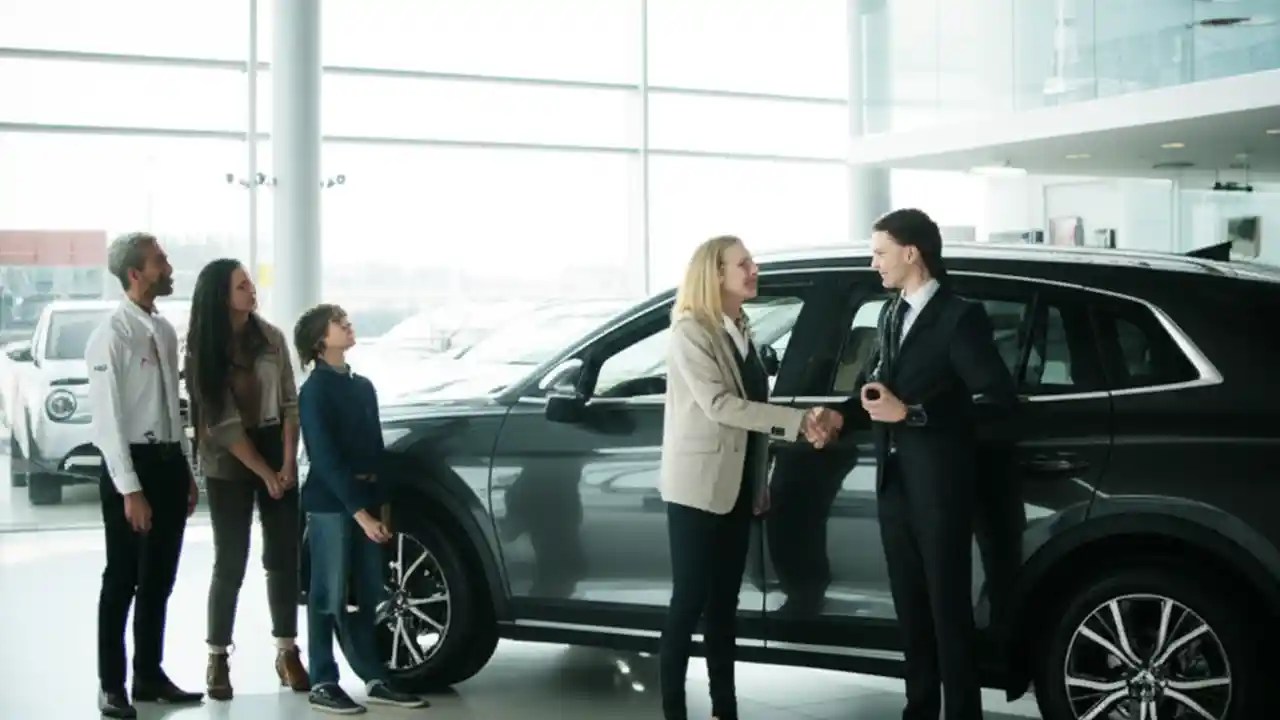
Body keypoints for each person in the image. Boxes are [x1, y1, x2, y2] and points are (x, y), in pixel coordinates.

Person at [829, 209, 1017, 720]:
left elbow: (996, 400)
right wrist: (839, 413)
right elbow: (877, 391)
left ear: (911, 253)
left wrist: (912, 414)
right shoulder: (889, 314)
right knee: (910, 612)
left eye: (880, 253)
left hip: (940, 488)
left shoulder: (960, 316)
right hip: (894, 485)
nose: (874, 264)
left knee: (947, 613)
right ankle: (919, 711)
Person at [658, 235, 838, 720]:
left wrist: (758, 484)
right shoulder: (690, 332)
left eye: (751, 262)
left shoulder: (742, 329)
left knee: (724, 605)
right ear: (715, 274)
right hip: (698, 490)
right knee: (688, 603)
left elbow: (752, 421)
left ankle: (726, 709)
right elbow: (720, 406)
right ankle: (674, 711)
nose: (754, 270)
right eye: (744, 264)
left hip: (737, 488)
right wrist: (798, 422)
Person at [85, 232, 203, 718]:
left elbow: (174, 408)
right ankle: (112, 685)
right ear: (135, 273)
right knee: (122, 578)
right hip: (130, 466)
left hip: (169, 462)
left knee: (160, 579)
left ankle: (149, 675)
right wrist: (130, 489)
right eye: (160, 261)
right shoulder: (111, 335)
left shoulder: (165, 330)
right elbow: (107, 421)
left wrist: (186, 470)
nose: (168, 268)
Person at [293, 303, 430, 714]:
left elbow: (375, 450)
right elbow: (324, 459)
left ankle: (374, 677)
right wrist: (361, 514)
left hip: (366, 502)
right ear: (320, 340)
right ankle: (323, 681)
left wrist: (380, 506)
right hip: (331, 505)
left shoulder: (362, 386)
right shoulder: (314, 391)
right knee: (328, 595)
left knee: (368, 595)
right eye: (338, 323)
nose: (347, 326)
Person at [184, 259, 308, 700]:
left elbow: (290, 403)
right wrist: (265, 473)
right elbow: (223, 424)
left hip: (275, 445)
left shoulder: (271, 337)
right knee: (231, 559)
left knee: (283, 555)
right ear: (221, 295)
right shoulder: (203, 349)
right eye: (242, 286)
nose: (251, 291)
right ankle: (218, 656)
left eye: (251, 284)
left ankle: (287, 650)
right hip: (229, 457)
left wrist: (288, 463)